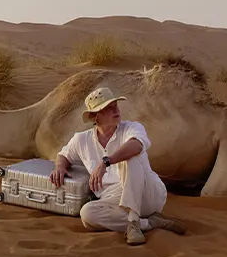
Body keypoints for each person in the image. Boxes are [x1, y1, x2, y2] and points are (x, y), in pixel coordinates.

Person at [50, 87, 187, 245]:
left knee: (131, 155)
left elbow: (136, 146)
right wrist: (60, 167)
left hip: (147, 192)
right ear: (95, 116)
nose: (116, 109)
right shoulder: (81, 140)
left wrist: (106, 161)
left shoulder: (132, 128)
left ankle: (134, 221)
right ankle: (149, 223)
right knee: (87, 214)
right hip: (115, 199)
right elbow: (63, 155)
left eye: (115, 104)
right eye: (109, 108)